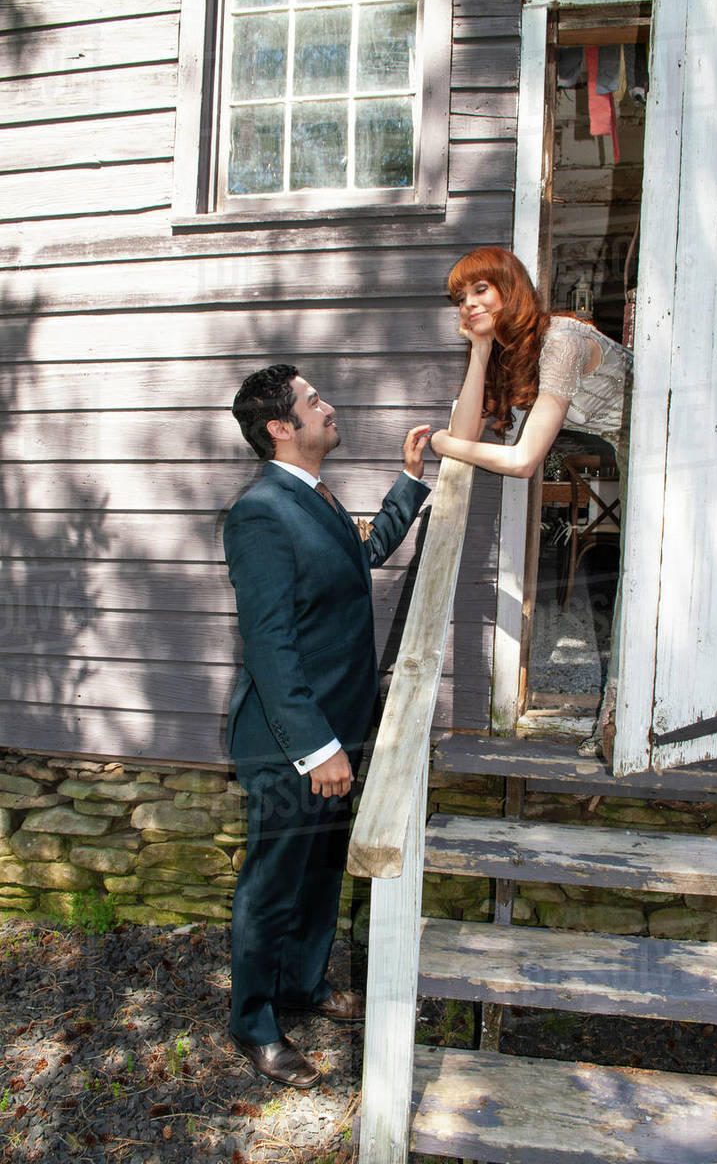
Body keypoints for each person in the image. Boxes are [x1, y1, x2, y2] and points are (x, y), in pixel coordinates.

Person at [223, 363, 430, 1088]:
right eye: (314, 402)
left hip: (339, 732)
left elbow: (360, 557)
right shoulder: (259, 514)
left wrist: (409, 482)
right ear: (281, 427)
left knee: (317, 878)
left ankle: (302, 989)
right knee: (273, 884)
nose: (328, 407)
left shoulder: (313, 498)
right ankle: (252, 1023)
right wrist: (316, 750)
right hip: (289, 745)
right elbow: (269, 646)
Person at [430, 245, 632, 757]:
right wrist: (478, 352)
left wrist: (445, 445)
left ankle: (626, 726)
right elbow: (465, 428)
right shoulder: (513, 354)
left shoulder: (561, 339)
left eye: (481, 289)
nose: (469, 304)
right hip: (639, 453)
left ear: (510, 288)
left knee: (653, 583)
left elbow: (521, 461)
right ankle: (620, 727)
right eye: (461, 297)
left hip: (686, 444)